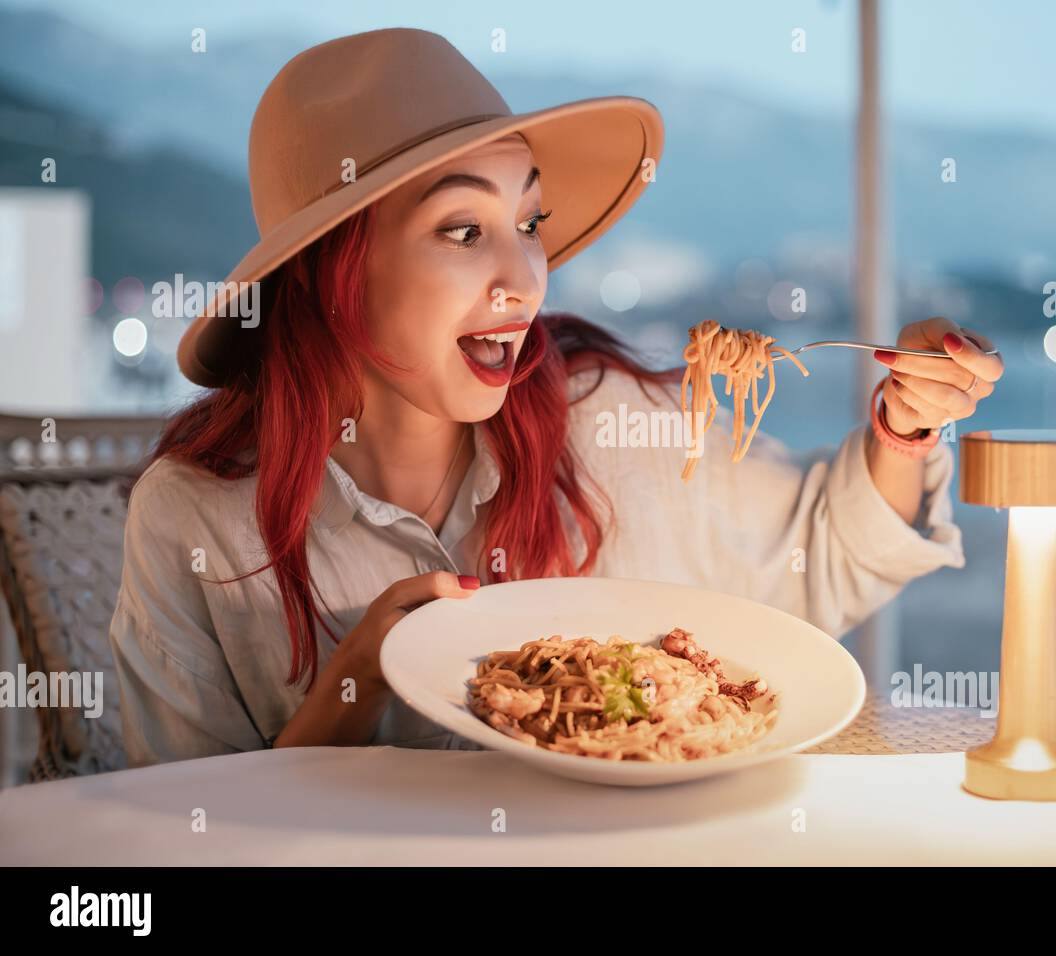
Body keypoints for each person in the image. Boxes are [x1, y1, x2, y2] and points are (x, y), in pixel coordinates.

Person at [109, 28, 1002, 766]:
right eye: (463, 230)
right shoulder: (194, 519)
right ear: (330, 275)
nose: (523, 281)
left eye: (528, 225)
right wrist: (362, 679)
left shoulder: (604, 414)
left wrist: (906, 422)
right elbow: (181, 831)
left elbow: (824, 544)